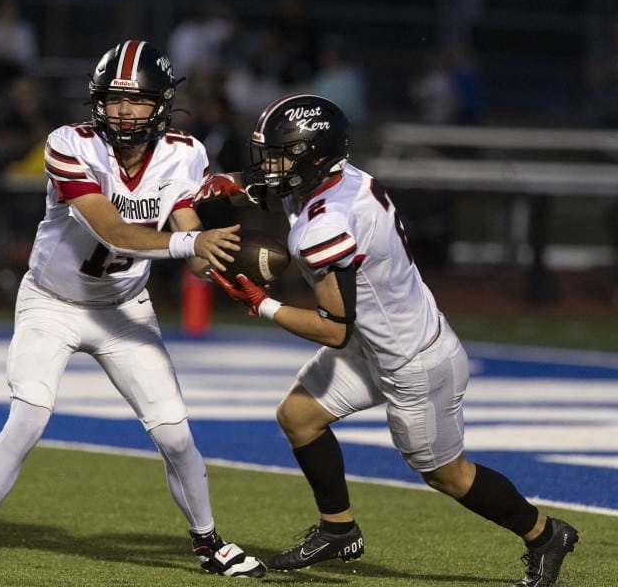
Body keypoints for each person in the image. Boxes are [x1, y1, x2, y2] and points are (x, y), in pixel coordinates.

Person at [195, 93, 579, 587]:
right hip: (375, 342)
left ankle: (545, 534)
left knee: (448, 475)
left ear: (313, 158)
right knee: (299, 417)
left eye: (280, 155)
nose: (269, 167)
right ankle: (339, 530)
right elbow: (268, 189)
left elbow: (333, 328)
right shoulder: (340, 179)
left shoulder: (324, 225)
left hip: (410, 359)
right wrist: (230, 186)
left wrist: (258, 302)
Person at [0, 39, 265, 581]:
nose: (124, 111)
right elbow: (112, 230)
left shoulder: (185, 153)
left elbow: (187, 235)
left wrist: (224, 265)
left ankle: (209, 543)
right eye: (113, 99)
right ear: (96, 101)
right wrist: (189, 248)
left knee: (177, 435)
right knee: (28, 418)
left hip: (124, 308)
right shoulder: (69, 144)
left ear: (161, 104)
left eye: (136, 101)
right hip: (52, 303)